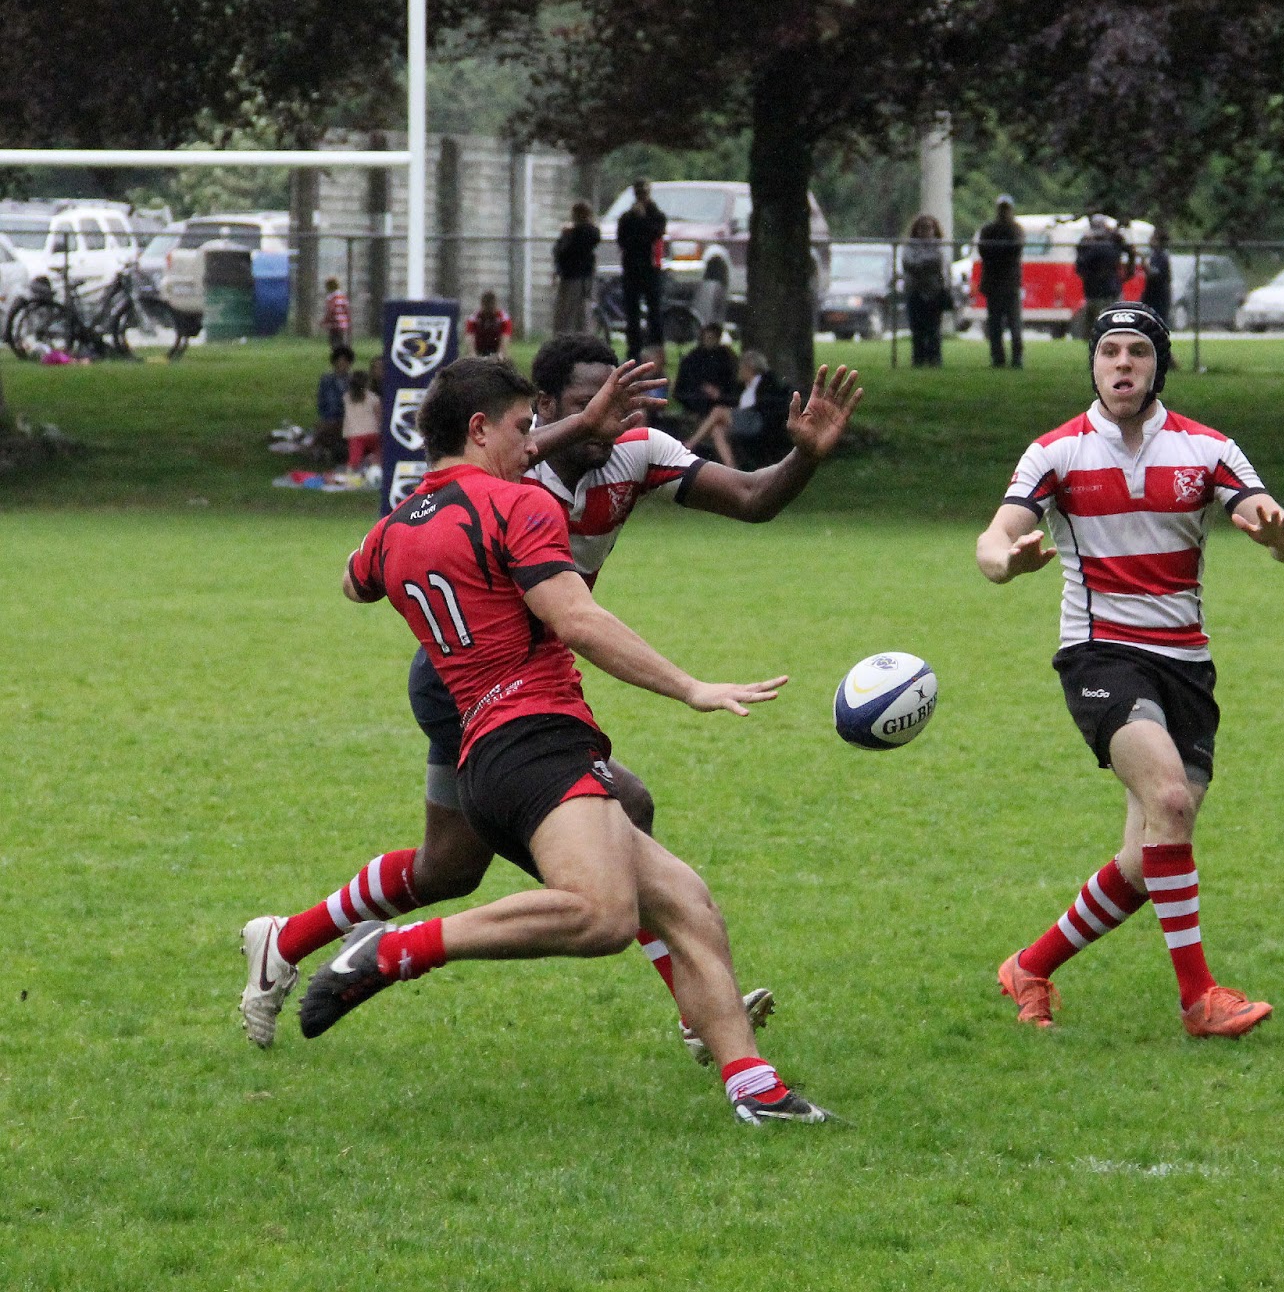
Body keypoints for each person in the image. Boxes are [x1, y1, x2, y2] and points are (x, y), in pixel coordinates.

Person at [240, 336, 863, 1065]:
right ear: (537, 413)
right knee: (617, 833)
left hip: (518, 683)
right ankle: (700, 1012)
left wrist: (806, 456)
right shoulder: (513, 489)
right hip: (467, 684)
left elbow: (754, 498)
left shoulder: (632, 452)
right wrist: (691, 685)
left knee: (449, 867)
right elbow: (556, 595)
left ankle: (285, 938)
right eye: (579, 407)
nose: (607, 417)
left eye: (617, 401)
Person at [976, 301, 1284, 1040]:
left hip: (1186, 664)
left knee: (1148, 850)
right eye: (1109, 352)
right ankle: (1200, 999)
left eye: (1138, 352)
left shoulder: (1206, 448)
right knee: (1169, 799)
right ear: (1093, 364)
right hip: (1100, 655)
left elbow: (1272, 521)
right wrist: (1008, 562)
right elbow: (993, 540)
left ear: (1159, 365)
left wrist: (1283, 541)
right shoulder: (1055, 453)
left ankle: (1030, 965)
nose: (1122, 364)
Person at [674, 322, 741, 464]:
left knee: (717, 424)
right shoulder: (692, 359)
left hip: (721, 405)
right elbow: (682, 388)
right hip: (696, 404)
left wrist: (720, 394)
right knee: (716, 427)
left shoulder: (727, 359)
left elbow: (733, 388)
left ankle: (690, 445)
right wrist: (700, 392)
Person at [616, 178, 667, 360]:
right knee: (632, 312)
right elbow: (623, 240)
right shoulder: (626, 217)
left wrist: (642, 219)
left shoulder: (657, 215)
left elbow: (655, 234)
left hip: (650, 268)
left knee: (654, 310)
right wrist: (635, 219)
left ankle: (656, 347)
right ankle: (634, 349)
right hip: (631, 268)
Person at [977, 195, 1024, 368]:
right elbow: (984, 250)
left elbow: (1015, 250)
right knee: (995, 324)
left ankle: (1017, 358)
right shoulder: (989, 229)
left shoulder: (1015, 229)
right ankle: (998, 358)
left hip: (1009, 283)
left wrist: (997, 252)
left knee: (1014, 323)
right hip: (994, 283)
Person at [727, 348, 794, 470]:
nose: (740, 371)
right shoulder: (742, 388)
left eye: (742, 367)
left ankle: (690, 444)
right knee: (717, 430)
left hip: (757, 421)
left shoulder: (766, 383)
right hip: (744, 419)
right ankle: (731, 468)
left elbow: (766, 406)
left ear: (750, 368)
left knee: (717, 412)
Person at [901, 214, 951, 368]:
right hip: (915, 291)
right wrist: (926, 265)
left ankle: (935, 360)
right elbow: (909, 264)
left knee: (934, 328)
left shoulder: (939, 246)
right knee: (917, 329)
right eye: (922, 228)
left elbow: (938, 262)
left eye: (929, 228)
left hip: (934, 292)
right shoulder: (909, 246)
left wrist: (922, 264)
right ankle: (918, 360)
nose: (925, 231)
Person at [552, 201, 602, 335]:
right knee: (572, 313)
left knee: (575, 313)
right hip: (573, 276)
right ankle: (569, 337)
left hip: (577, 277)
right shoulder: (573, 233)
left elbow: (563, 251)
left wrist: (570, 233)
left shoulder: (585, 233)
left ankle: (572, 337)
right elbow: (558, 251)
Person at [1074, 215, 1124, 338]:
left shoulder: (1102, 247)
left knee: (1102, 325)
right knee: (1097, 326)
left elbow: (1080, 266)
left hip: (1103, 291)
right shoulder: (1109, 245)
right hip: (1098, 291)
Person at [312, 345, 355, 470]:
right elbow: (322, 402)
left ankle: (316, 447)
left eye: (345, 362)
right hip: (330, 417)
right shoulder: (326, 380)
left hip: (348, 418)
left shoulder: (353, 381)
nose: (341, 365)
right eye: (339, 362)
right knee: (325, 427)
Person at [341, 368, 381, 479]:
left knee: (354, 459)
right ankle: (375, 471)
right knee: (378, 454)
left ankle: (349, 476)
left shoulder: (346, 397)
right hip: (372, 431)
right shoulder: (373, 398)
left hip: (354, 433)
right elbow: (379, 416)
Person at [465, 291, 513, 358]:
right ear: (482, 305)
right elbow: (470, 337)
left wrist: (501, 353)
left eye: (491, 307)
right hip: (479, 349)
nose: (489, 311)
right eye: (486, 308)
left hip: (496, 348)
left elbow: (505, 337)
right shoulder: (474, 318)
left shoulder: (503, 318)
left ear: (495, 305)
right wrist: (472, 354)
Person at [1142, 227, 1173, 325]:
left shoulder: (1161, 256)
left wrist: (1145, 265)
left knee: (1158, 322)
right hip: (1152, 294)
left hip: (1159, 296)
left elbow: (1155, 273)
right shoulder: (1154, 255)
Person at [322, 277, 351, 349]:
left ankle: (337, 354)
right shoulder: (342, 296)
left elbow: (330, 310)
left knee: (334, 340)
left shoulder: (331, 298)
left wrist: (325, 321)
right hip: (343, 323)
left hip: (334, 323)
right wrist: (348, 320)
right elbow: (347, 309)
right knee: (342, 340)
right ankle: (343, 353)